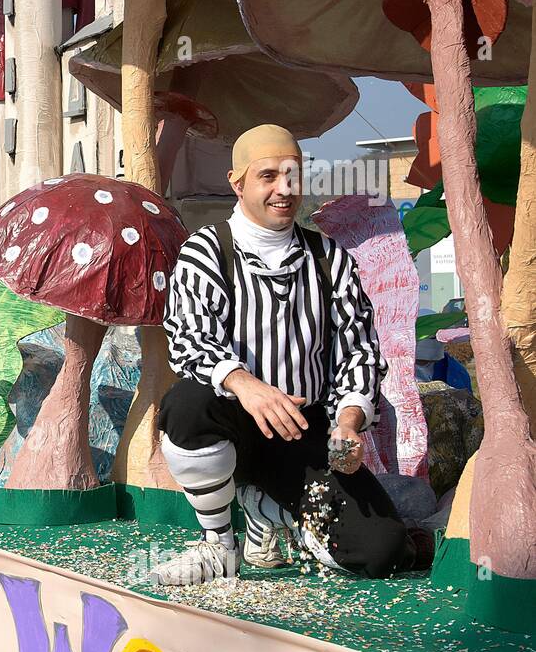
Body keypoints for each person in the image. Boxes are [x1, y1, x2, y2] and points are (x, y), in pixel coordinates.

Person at [151, 124, 434, 586]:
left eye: (293, 175)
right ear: (236, 183)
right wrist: (246, 385)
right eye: (268, 176)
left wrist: (348, 421)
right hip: (233, 428)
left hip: (304, 436)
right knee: (185, 404)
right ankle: (219, 544)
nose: (284, 189)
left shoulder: (329, 258)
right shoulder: (207, 251)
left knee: (381, 551)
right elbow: (188, 340)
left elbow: (359, 352)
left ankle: (268, 512)